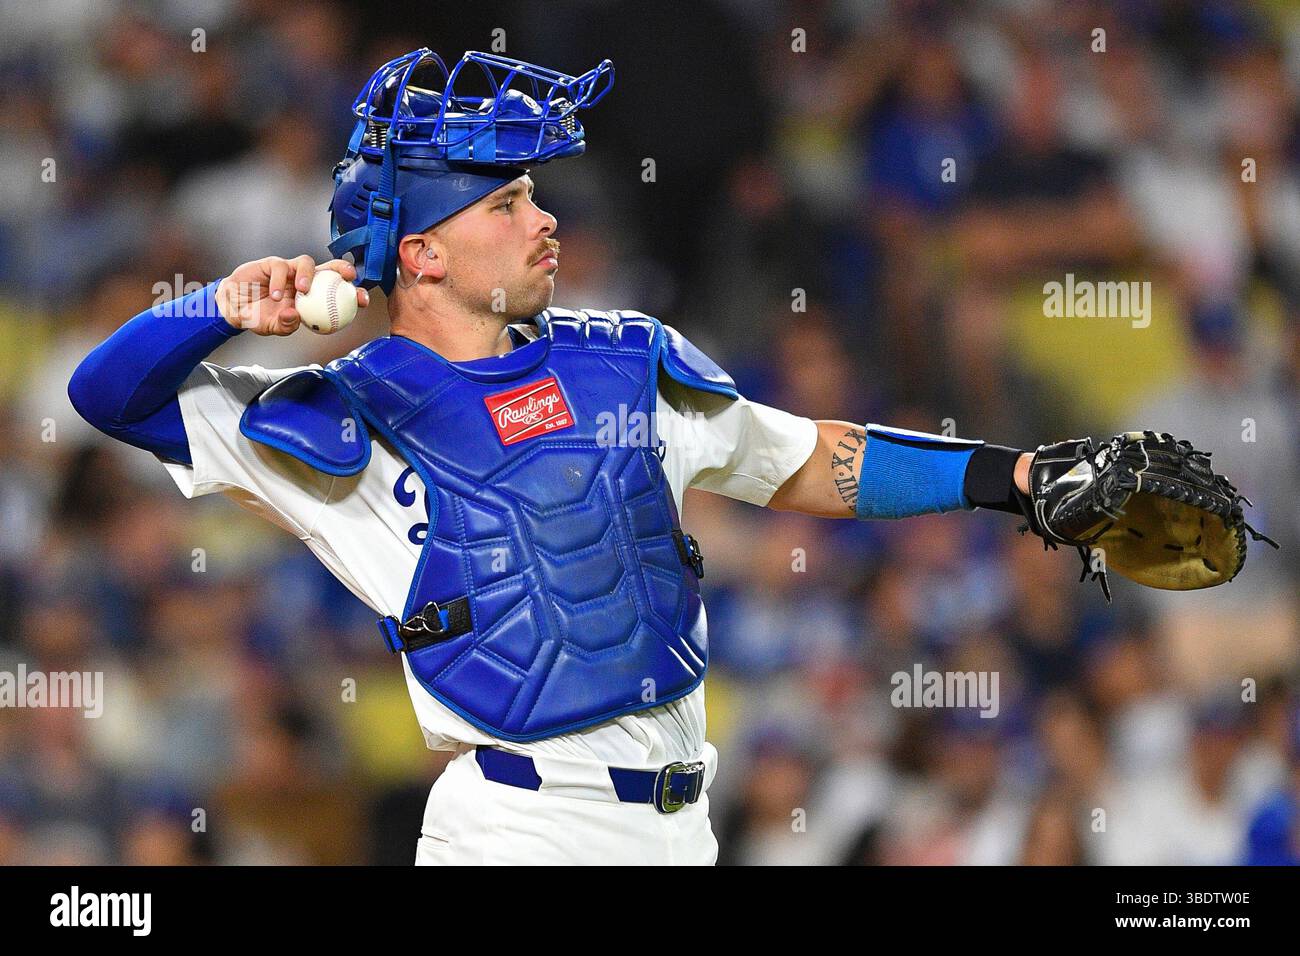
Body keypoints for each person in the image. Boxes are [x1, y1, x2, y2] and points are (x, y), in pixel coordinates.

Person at [68, 48, 1066, 866]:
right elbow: (107, 395)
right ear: (420, 252)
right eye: (503, 204)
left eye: (533, 194)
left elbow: (814, 459)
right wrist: (220, 306)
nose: (544, 220)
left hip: (683, 822)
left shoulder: (621, 361)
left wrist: (1014, 480)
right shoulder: (340, 415)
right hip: (519, 827)